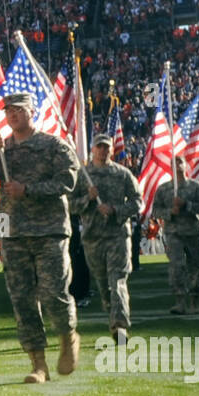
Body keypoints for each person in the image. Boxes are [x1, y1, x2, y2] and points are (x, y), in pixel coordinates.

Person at [0, 91, 80, 383]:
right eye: (8, 110)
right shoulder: (1, 149)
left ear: (31, 112)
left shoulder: (52, 145)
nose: (12, 115)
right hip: (11, 231)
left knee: (53, 293)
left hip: (49, 230)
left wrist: (29, 189)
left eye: (18, 110)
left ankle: (67, 336)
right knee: (22, 300)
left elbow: (68, 180)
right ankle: (38, 364)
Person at [70, 134, 142, 337]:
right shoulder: (82, 176)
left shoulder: (122, 174)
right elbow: (69, 205)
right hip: (93, 238)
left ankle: (119, 325)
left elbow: (138, 201)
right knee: (103, 284)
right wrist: (88, 198)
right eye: (99, 146)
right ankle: (111, 312)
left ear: (112, 150)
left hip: (117, 235)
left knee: (117, 280)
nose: (103, 150)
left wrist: (116, 210)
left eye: (106, 147)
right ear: (93, 149)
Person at [152, 158, 199, 315]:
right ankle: (179, 301)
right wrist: (169, 212)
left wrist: (187, 205)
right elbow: (155, 210)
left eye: (180, 162)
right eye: (174, 163)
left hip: (193, 232)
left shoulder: (196, 187)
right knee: (176, 267)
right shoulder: (164, 189)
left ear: (186, 166)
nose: (177, 166)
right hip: (173, 233)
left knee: (195, 267)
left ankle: (195, 301)